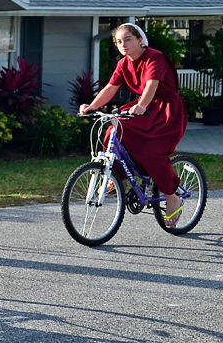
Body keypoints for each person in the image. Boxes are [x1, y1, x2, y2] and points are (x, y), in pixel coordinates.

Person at [80, 22, 188, 225]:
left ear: (139, 40)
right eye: (119, 42)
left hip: (165, 111)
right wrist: (92, 106)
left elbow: (151, 85)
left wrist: (141, 105)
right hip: (142, 108)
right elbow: (111, 88)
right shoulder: (123, 64)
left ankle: (172, 197)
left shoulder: (154, 57)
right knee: (113, 130)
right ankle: (117, 178)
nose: (123, 45)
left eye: (127, 40)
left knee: (151, 153)